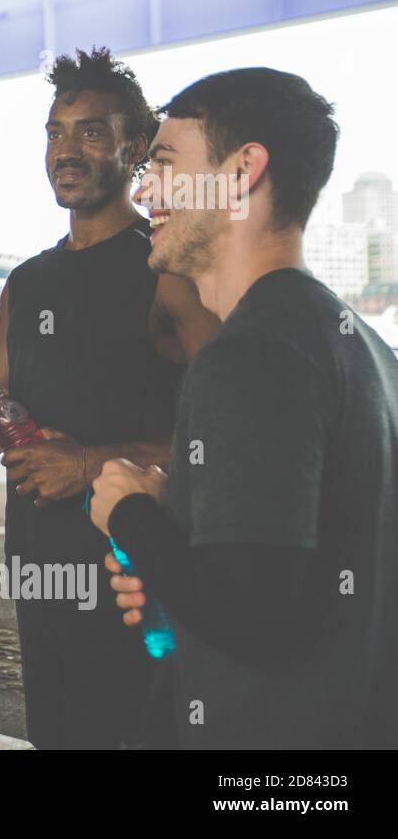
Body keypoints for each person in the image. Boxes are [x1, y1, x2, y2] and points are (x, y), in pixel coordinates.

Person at [91, 68, 398, 748]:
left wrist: (130, 511)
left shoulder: (248, 356)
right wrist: (181, 547)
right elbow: (297, 581)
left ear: (241, 172)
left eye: (164, 165)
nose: (142, 191)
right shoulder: (366, 352)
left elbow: (255, 618)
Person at [0, 47, 219, 749]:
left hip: (138, 579)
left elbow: (232, 439)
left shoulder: (169, 269)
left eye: (91, 132)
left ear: (135, 149)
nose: (66, 150)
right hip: (42, 575)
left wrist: (92, 463)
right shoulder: (26, 284)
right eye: (56, 133)